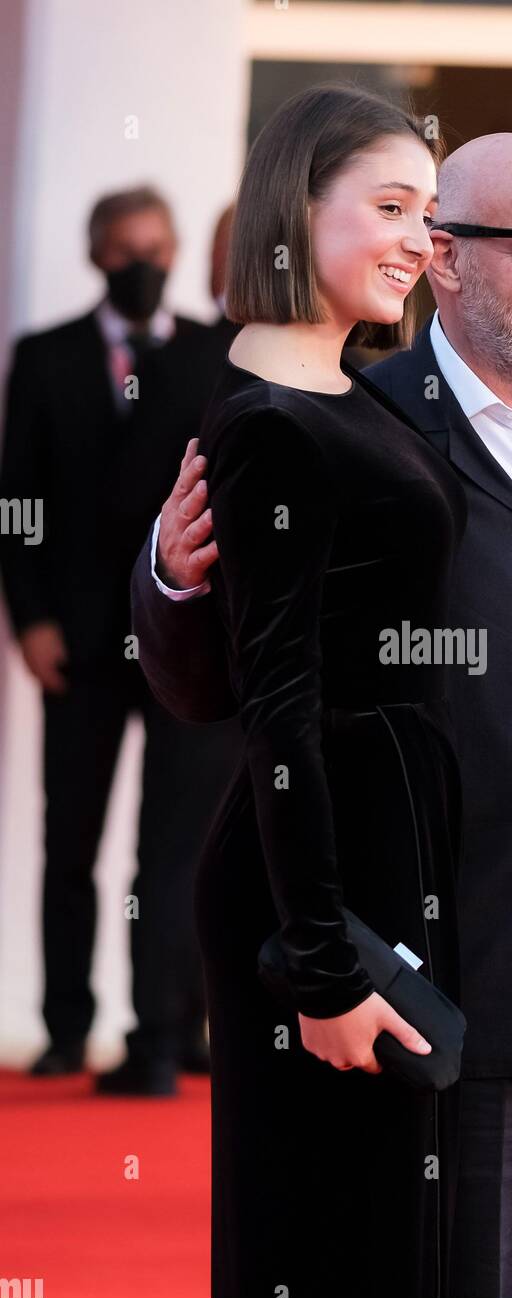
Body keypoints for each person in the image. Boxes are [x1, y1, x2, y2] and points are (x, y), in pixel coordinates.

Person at [133, 126, 512, 1298]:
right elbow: (221, 686)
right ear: (447, 257)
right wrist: (165, 576)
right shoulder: (351, 421)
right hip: (467, 984)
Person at [138, 85, 466, 1298]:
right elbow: (279, 705)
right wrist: (321, 961)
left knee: (375, 1219)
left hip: (373, 836)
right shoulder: (270, 418)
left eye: (426, 215)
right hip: (316, 869)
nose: (416, 243)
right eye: (389, 206)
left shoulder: (340, 389)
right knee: (322, 1225)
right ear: (292, 211)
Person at [0, 186, 238, 1093]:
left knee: (175, 849)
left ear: (176, 251)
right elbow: (16, 502)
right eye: (126, 247)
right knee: (73, 843)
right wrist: (32, 620)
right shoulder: (47, 356)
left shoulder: (213, 357)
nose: (144, 261)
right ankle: (67, 1031)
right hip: (81, 651)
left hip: (180, 643)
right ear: (98, 254)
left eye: (158, 245)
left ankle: (166, 1033)